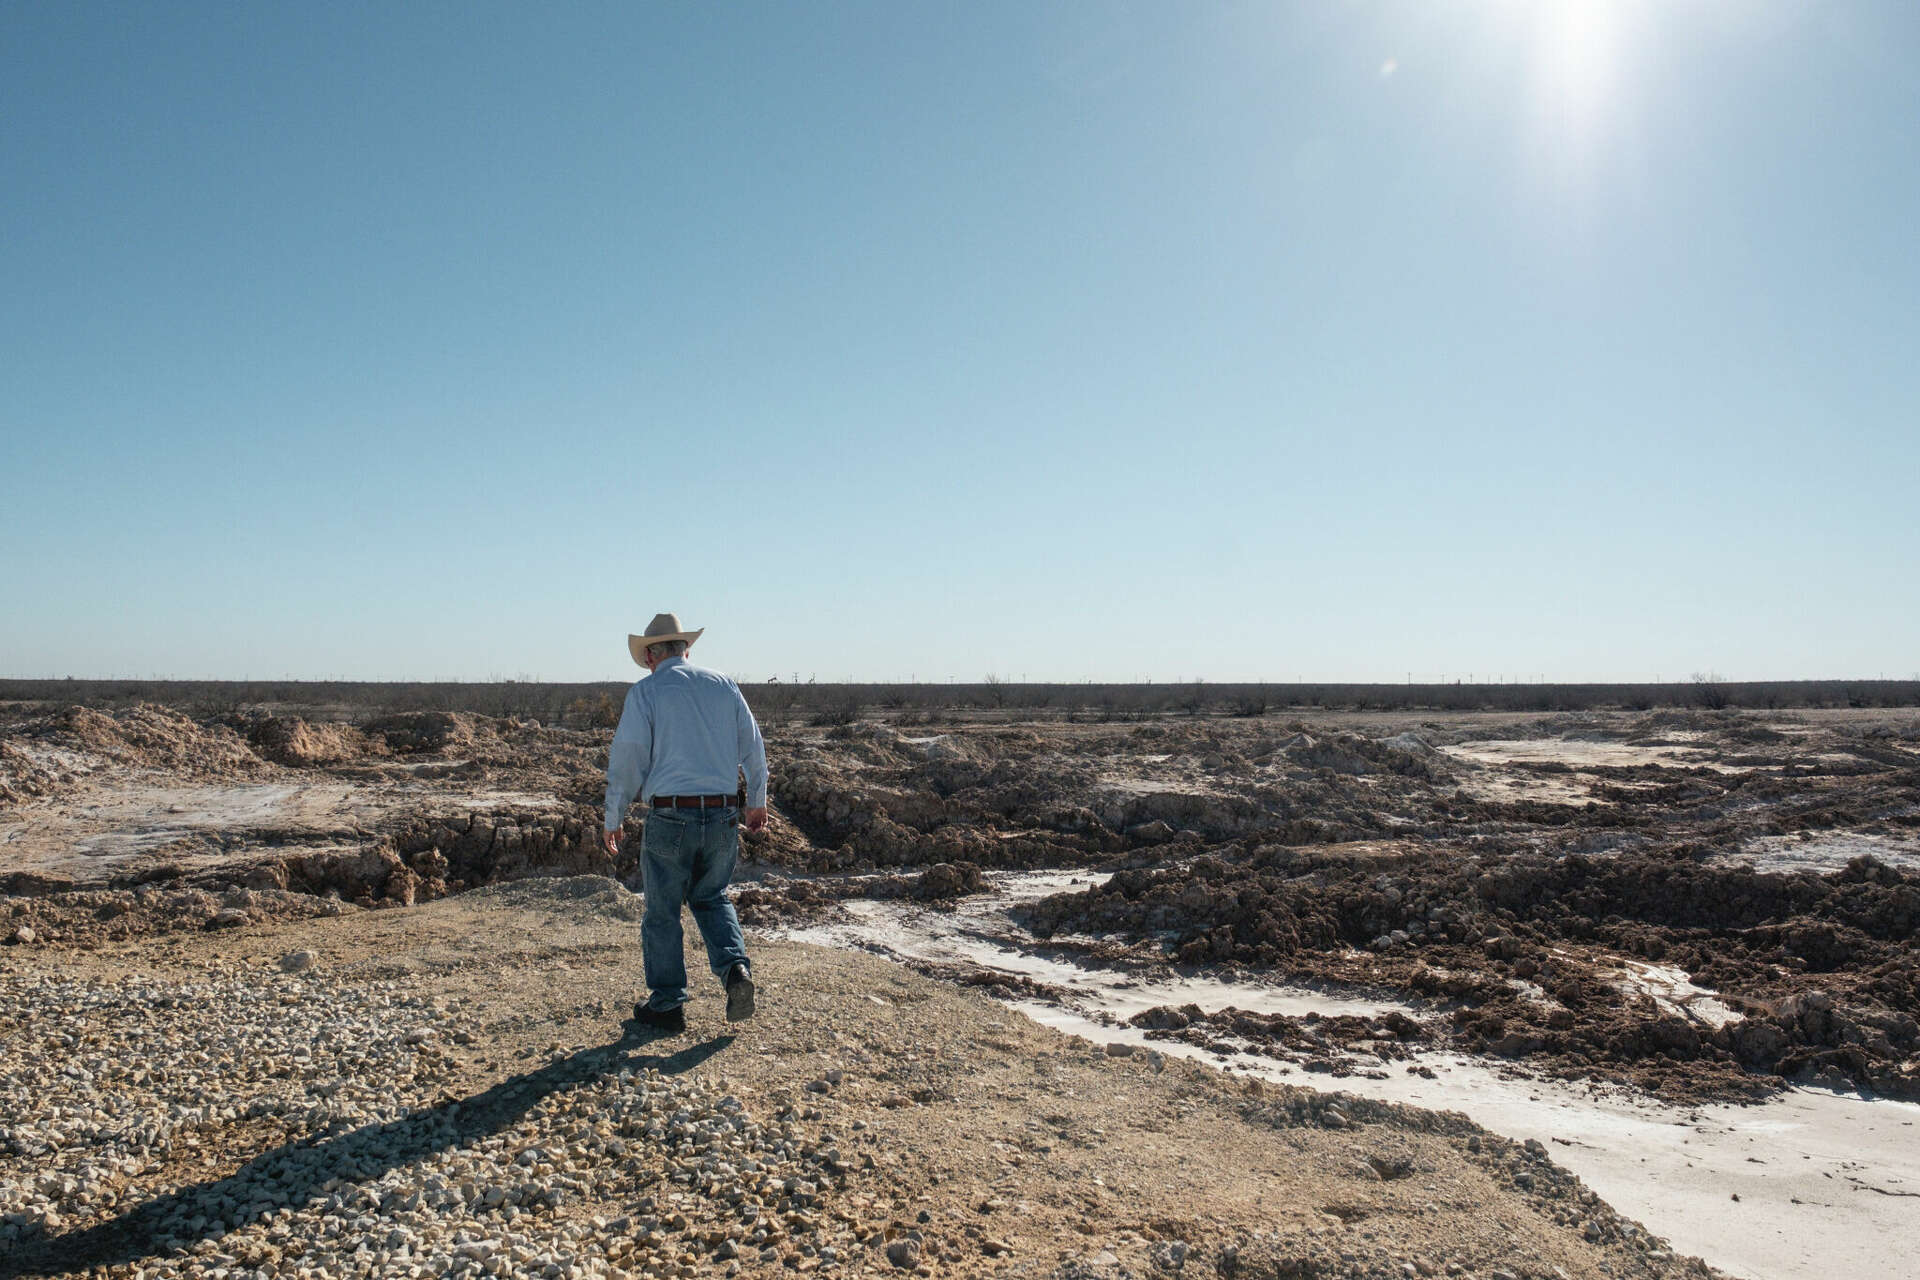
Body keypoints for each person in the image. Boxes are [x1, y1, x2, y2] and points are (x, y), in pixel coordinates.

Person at [602, 613, 768, 1033]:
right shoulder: (724, 684)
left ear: (653, 655)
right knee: (711, 897)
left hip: (671, 815)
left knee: (662, 910)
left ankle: (668, 1002)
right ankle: (735, 973)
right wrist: (757, 801)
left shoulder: (647, 692)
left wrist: (614, 815)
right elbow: (753, 745)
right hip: (723, 813)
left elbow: (629, 757)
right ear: (686, 651)